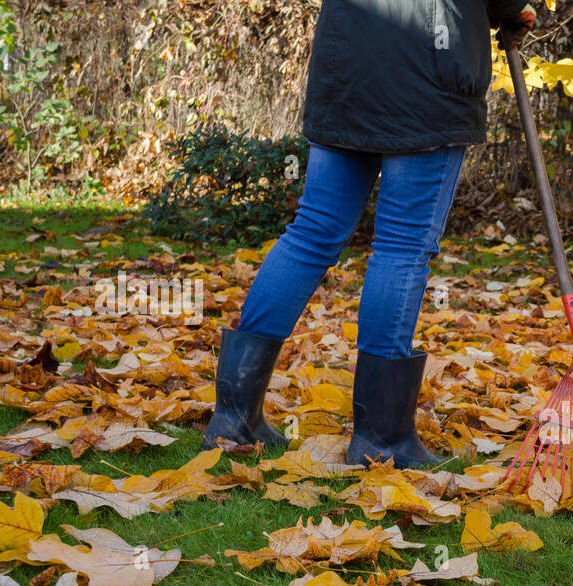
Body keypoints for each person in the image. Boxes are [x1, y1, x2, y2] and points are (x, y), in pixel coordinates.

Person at [202, 0, 536, 467]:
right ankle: (383, 440)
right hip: (429, 75)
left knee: (312, 232)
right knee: (402, 247)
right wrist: (510, 11)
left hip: (348, 68)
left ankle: (233, 419)